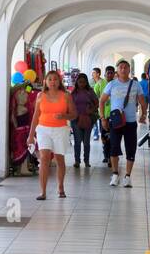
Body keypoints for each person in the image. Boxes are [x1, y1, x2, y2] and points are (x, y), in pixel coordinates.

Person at [27, 69, 76, 200]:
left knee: (59, 159)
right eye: (50, 79)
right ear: (45, 82)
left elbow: (74, 114)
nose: (52, 82)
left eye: (55, 79)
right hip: (43, 129)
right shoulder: (40, 96)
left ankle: (61, 187)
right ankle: (42, 191)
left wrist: (64, 116)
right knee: (44, 158)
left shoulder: (66, 95)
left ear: (59, 81)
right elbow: (36, 116)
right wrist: (31, 135)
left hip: (60, 130)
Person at [100, 58, 148, 187]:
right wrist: (103, 118)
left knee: (130, 148)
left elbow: (143, 102)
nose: (123, 69)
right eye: (120, 67)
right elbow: (102, 101)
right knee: (114, 147)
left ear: (129, 69)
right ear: (117, 70)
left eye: (125, 67)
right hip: (116, 121)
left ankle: (127, 176)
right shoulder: (112, 84)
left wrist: (144, 115)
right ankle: (115, 174)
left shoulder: (135, 85)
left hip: (131, 122)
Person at [70, 72, 99, 168]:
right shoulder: (73, 93)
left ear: (86, 82)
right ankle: (77, 161)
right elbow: (69, 105)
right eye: (80, 82)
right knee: (77, 141)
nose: (82, 84)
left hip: (88, 119)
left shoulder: (90, 91)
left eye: (84, 82)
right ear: (77, 82)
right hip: (75, 119)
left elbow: (97, 103)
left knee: (86, 142)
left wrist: (91, 110)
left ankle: (87, 161)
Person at [90, 67, 105, 145]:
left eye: (94, 73)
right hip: (94, 105)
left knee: (99, 119)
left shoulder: (102, 83)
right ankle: (96, 134)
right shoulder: (92, 82)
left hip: (99, 105)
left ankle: (101, 134)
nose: (92, 74)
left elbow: (101, 95)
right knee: (94, 119)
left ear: (98, 74)